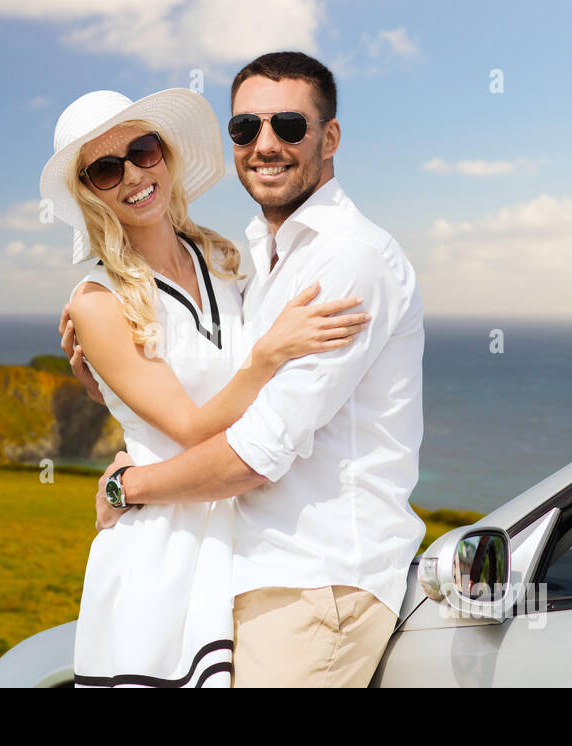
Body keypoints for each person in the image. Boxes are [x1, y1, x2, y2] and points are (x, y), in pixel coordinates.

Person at [65, 52, 426, 687]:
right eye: (103, 168)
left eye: (143, 150)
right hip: (196, 562)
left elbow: (253, 448)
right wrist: (112, 388)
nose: (265, 145)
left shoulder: (285, 260)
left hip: (311, 575)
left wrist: (128, 487)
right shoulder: (250, 259)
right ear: (87, 191)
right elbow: (192, 416)